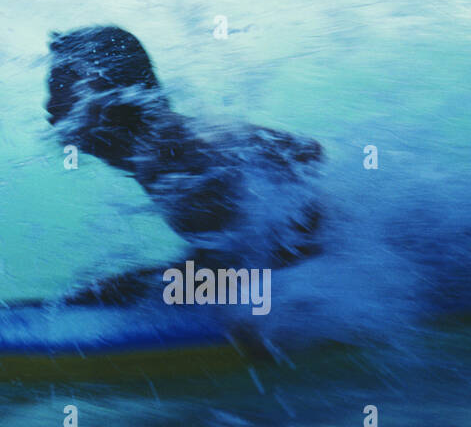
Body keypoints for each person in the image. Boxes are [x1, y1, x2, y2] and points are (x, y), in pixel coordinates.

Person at [45, 26, 325, 305]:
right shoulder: (167, 140)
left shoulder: (166, 159)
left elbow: (235, 273)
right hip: (325, 257)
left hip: (319, 273)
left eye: (58, 90)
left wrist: (126, 288)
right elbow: (305, 149)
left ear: (99, 91)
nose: (49, 108)